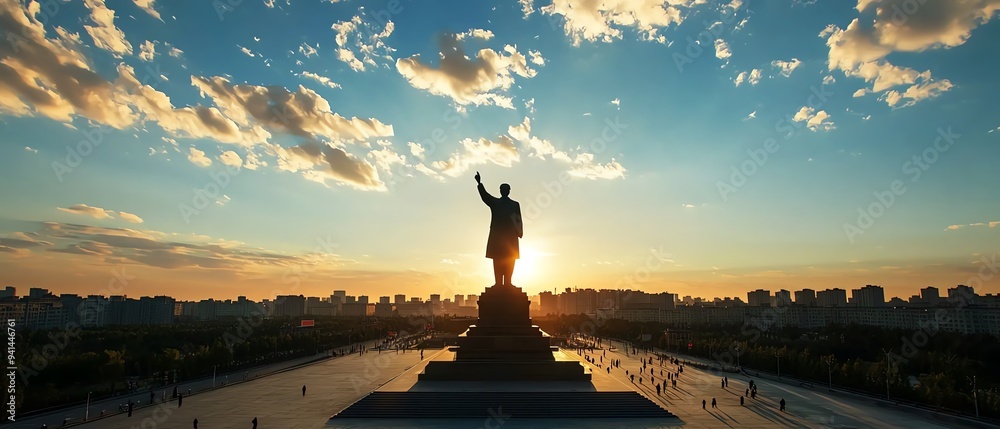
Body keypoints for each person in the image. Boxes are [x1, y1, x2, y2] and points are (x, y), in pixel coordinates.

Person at [475, 172, 523, 286]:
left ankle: (507, 282)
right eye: (502, 189)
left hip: (507, 238)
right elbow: (485, 196)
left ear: (508, 191)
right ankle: (499, 283)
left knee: (508, 260)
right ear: (501, 191)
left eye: (505, 189)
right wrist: (479, 183)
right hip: (500, 238)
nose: (504, 191)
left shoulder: (514, 204)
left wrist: (519, 232)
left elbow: (518, 219)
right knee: (498, 260)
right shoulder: (496, 203)